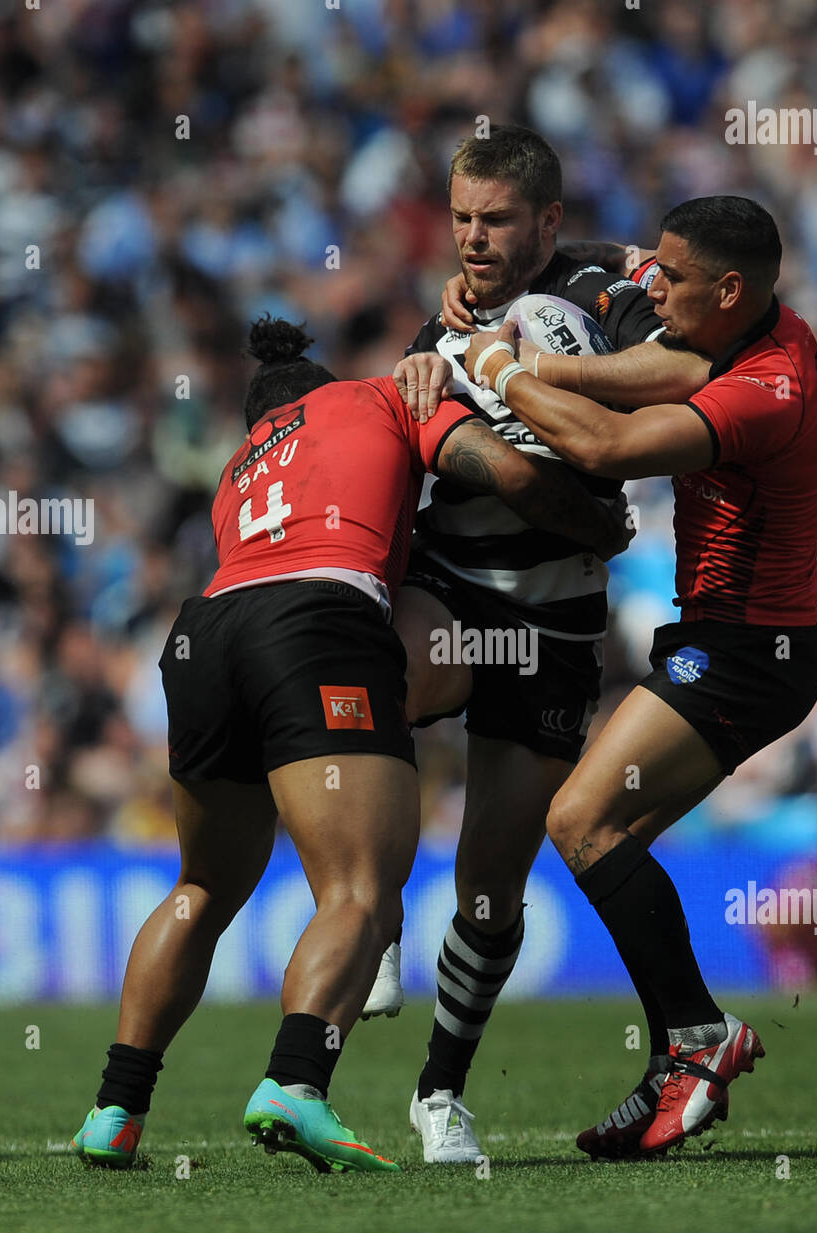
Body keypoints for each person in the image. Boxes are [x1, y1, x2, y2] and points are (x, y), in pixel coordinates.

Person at [69, 315, 626, 1174]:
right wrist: (594, 525)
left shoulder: (240, 466)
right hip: (318, 621)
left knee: (203, 885)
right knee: (360, 886)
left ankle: (116, 1107)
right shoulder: (374, 397)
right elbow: (507, 469)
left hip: (203, 634)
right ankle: (295, 1082)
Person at [463, 195, 817, 1158]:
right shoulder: (718, 308)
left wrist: (502, 363)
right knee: (602, 831)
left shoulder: (770, 386)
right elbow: (602, 258)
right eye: (656, 268)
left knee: (582, 820)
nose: (651, 286)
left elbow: (607, 447)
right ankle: (685, 1047)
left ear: (730, 290)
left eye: (671, 279)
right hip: (721, 640)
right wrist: (524, 272)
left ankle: (695, 1042)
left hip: (752, 655)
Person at [371, 124, 709, 1164]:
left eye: (497, 220)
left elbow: (690, 361)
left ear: (547, 220)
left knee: (490, 885)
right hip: (452, 585)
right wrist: (424, 370)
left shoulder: (608, 302)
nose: (473, 239)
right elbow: (430, 409)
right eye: (463, 218)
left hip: (556, 618)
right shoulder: (450, 312)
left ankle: (439, 1095)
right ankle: (373, 905)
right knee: (373, 683)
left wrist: (608, 272)